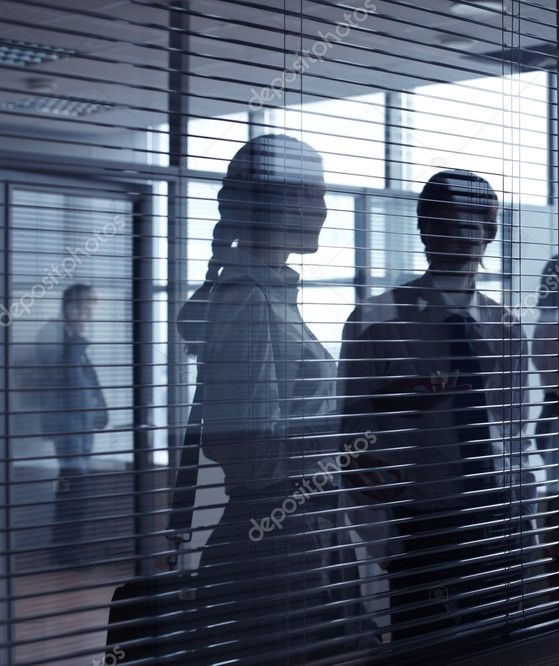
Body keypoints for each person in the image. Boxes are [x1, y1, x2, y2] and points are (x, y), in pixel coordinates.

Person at [175, 134, 373, 661]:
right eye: (309, 195)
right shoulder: (249, 300)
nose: (325, 211)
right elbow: (256, 451)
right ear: (268, 202)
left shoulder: (266, 294)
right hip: (286, 535)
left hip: (298, 526)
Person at [338, 169, 535, 643]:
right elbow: (349, 446)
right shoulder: (376, 322)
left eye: (474, 221)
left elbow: (515, 439)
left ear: (490, 231)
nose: (461, 233)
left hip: (498, 529)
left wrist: (526, 530)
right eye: (445, 220)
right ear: (424, 228)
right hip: (423, 534)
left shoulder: (505, 328)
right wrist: (390, 548)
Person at [36, 284, 107, 565]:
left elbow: (85, 385)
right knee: (75, 491)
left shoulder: (73, 339)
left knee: (71, 491)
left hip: (79, 430)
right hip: (68, 432)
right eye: (87, 307)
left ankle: (63, 550)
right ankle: (66, 552)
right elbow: (66, 384)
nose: (90, 314)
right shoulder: (56, 337)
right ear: (72, 308)